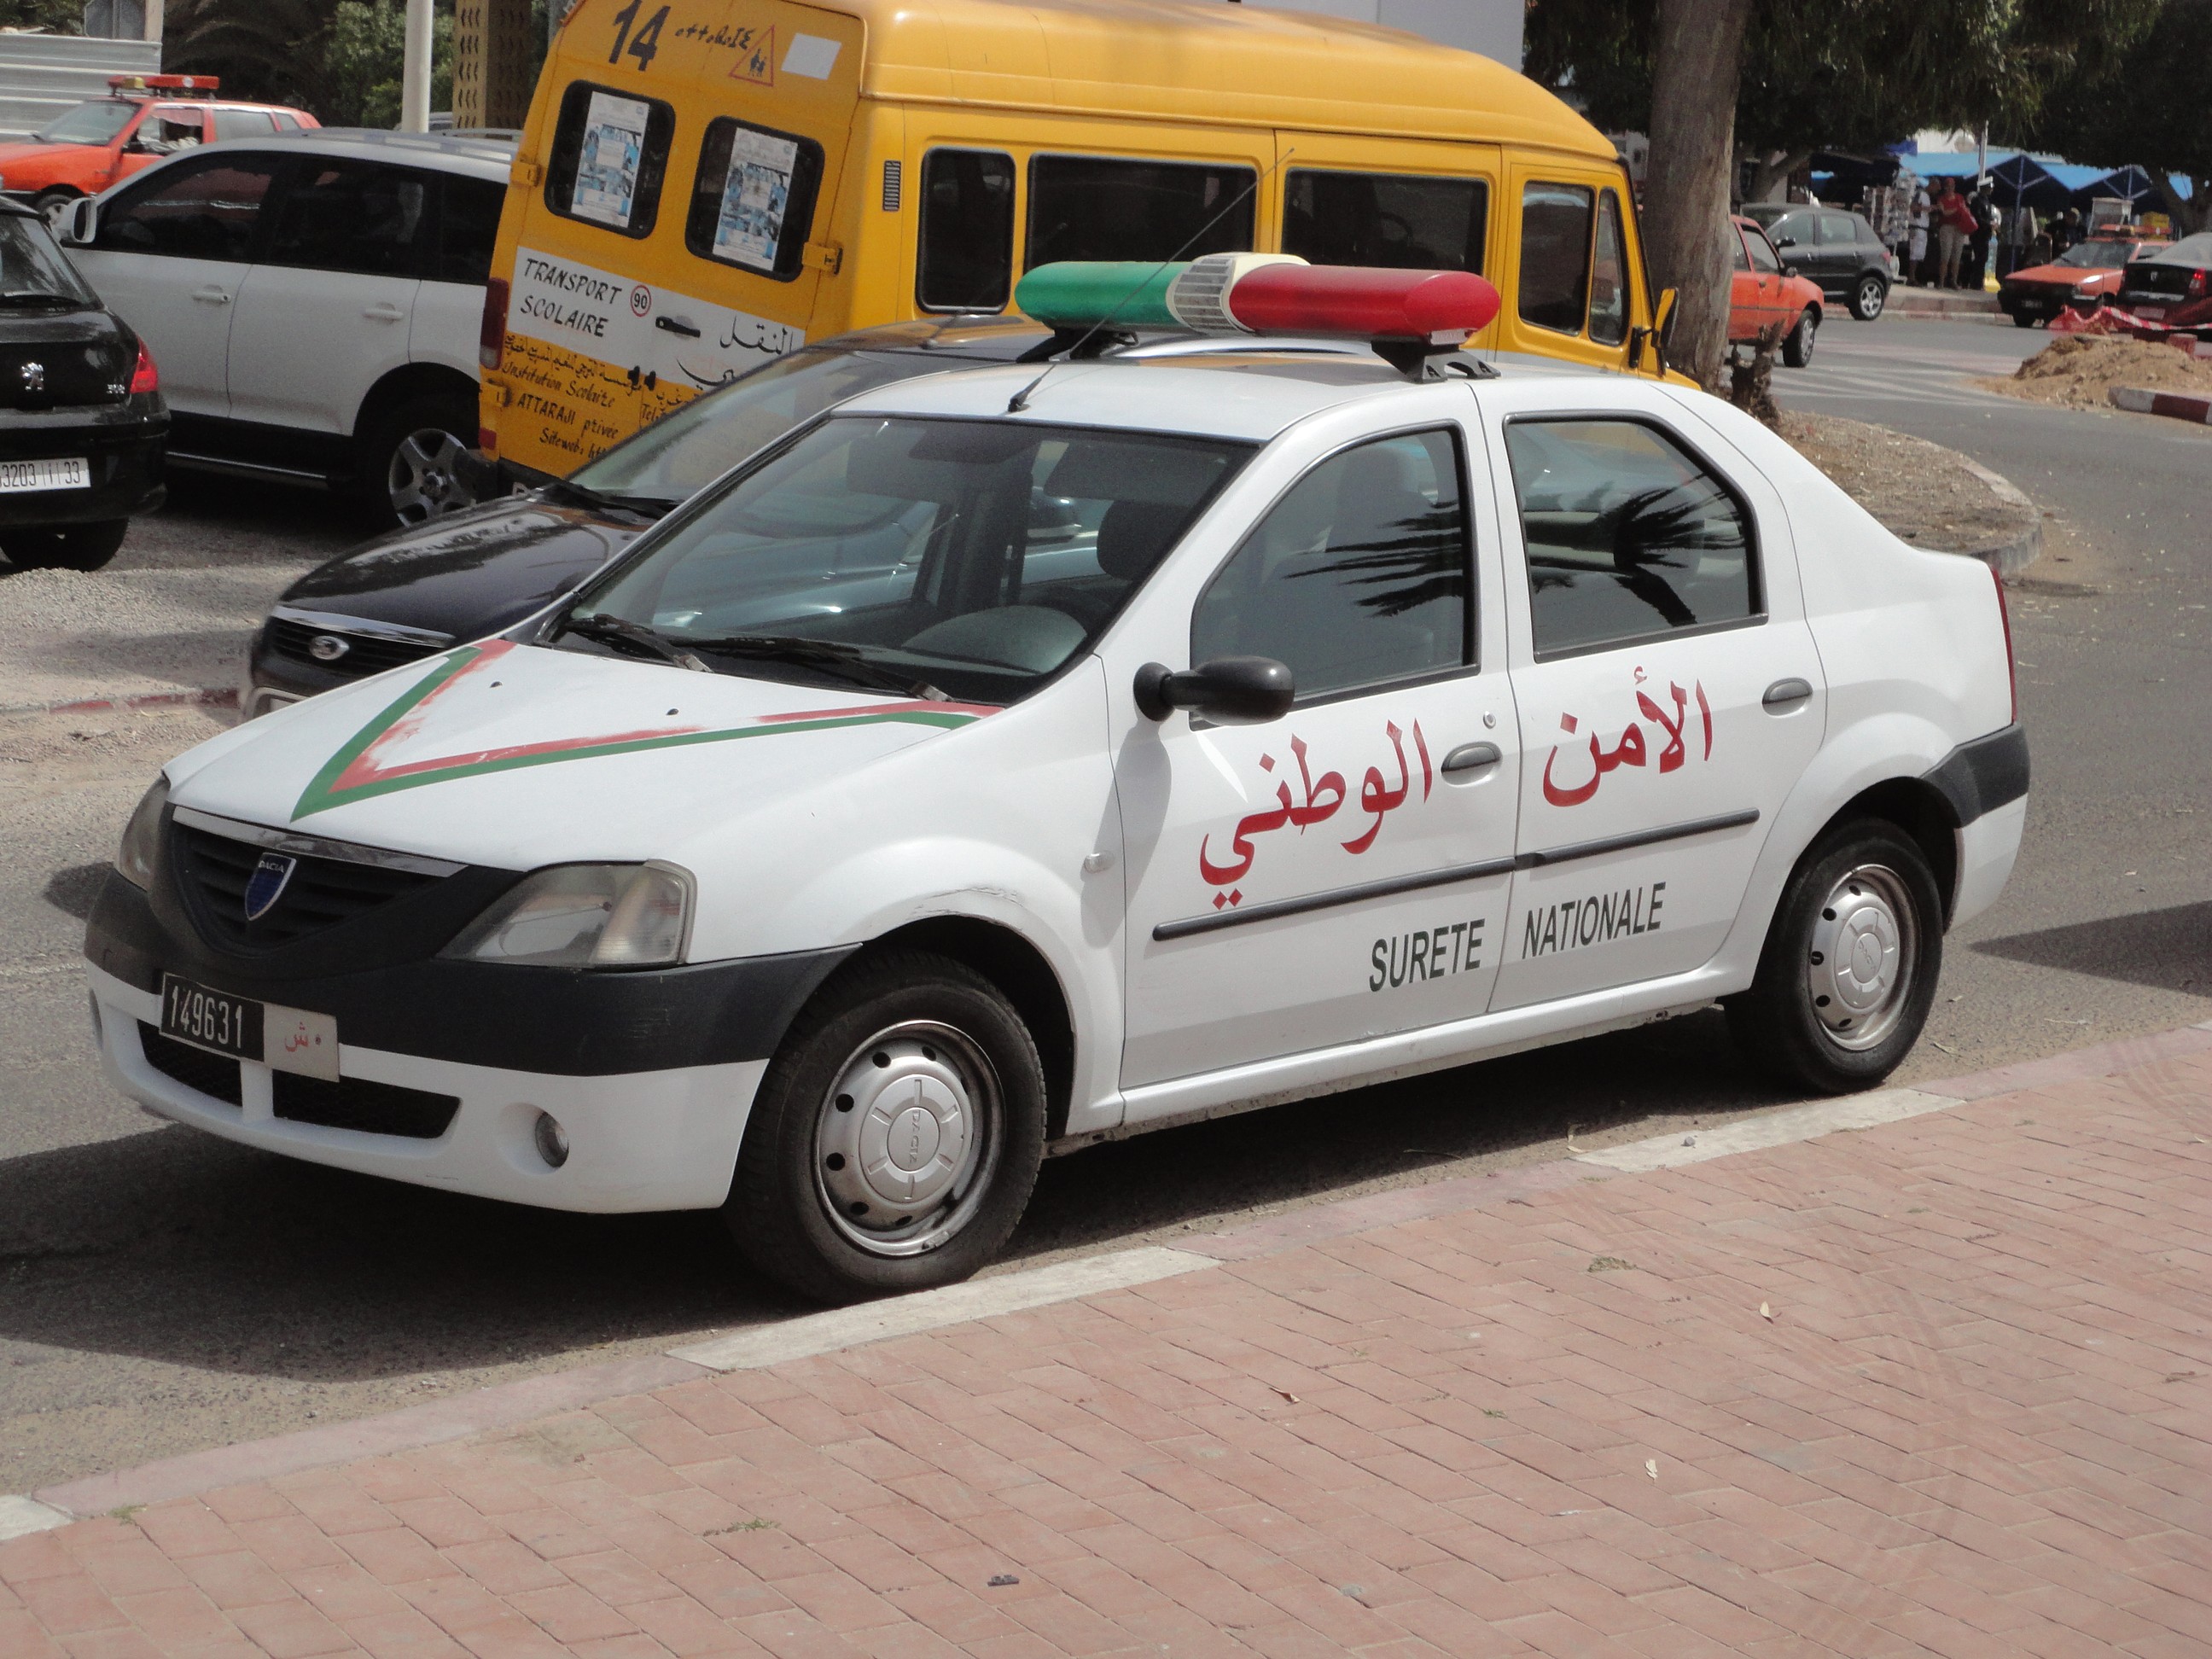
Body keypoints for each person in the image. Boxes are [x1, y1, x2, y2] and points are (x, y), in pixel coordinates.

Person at [1936, 179, 1975, 288]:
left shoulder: (1960, 197)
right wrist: (1957, 209)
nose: (1950, 188)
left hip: (1959, 228)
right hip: (1947, 227)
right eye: (1948, 186)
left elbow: (1964, 210)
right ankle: (1942, 282)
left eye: (1952, 186)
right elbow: (1944, 213)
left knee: (1957, 256)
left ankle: (1954, 280)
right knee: (1945, 255)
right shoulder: (1941, 199)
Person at [1908, 182, 1932, 285]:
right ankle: (1911, 277)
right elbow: (1913, 207)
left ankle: (1914, 277)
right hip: (1916, 226)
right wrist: (1924, 208)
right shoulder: (1919, 193)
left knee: (1919, 254)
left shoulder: (1927, 196)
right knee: (1914, 253)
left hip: (1923, 228)